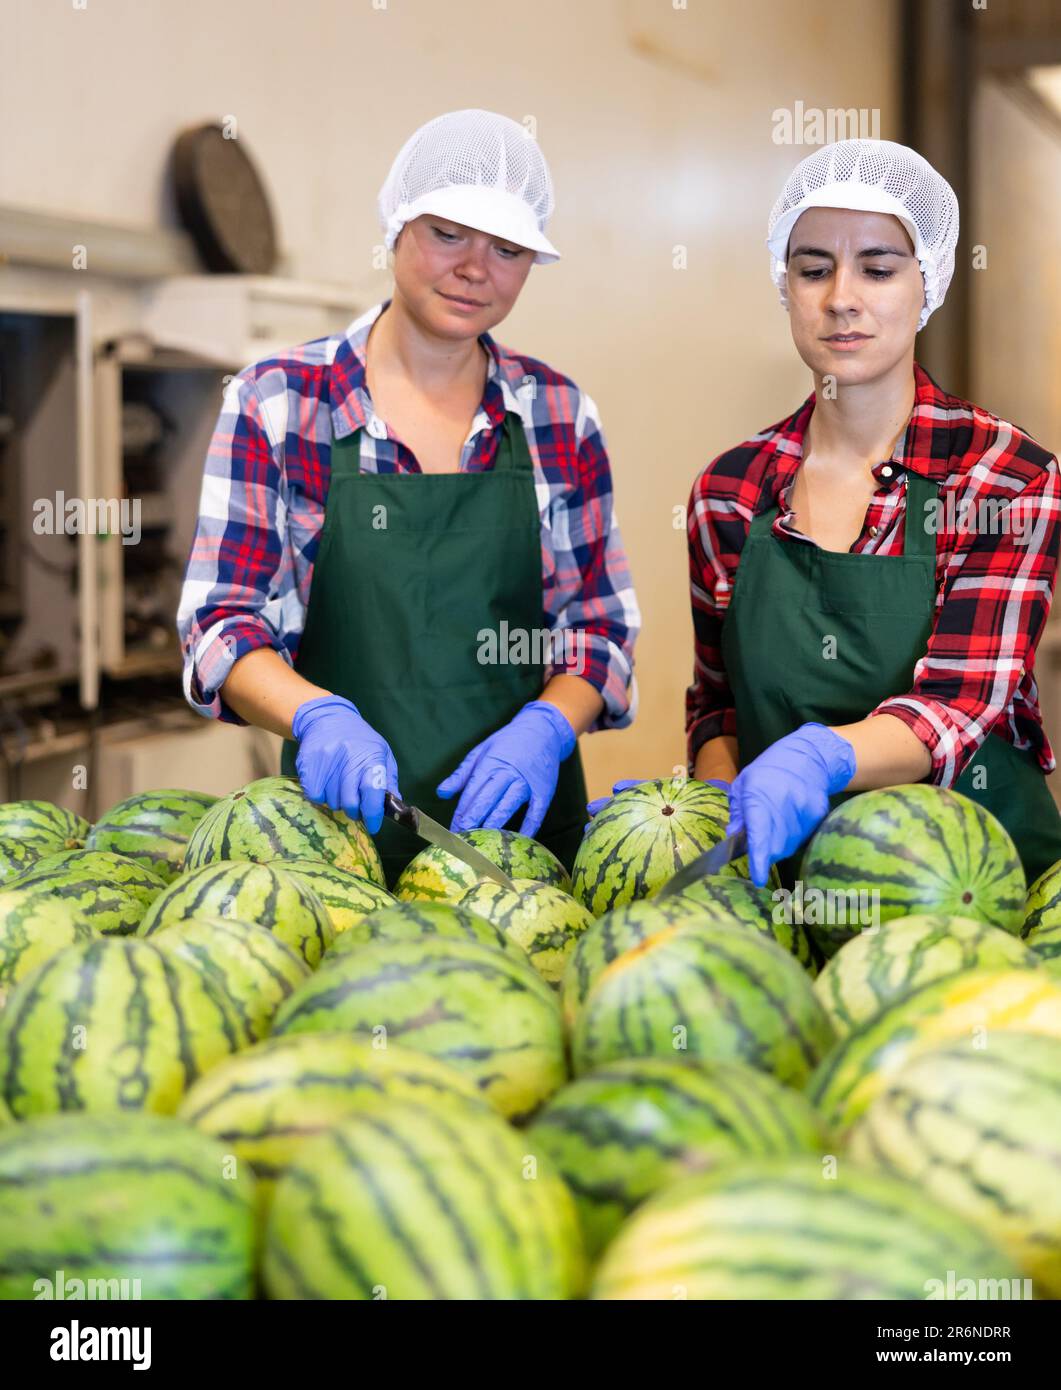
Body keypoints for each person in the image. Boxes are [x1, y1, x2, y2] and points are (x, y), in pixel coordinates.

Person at [178, 109, 639, 884]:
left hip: (519, 862)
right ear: (395, 228)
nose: (474, 268)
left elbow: (598, 631)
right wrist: (315, 716)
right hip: (331, 853)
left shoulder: (559, 413)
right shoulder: (280, 401)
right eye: (448, 234)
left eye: (507, 248)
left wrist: (547, 726)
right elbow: (219, 627)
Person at [595, 138, 1061, 889]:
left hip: (976, 888)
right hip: (787, 886)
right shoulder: (729, 490)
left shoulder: (1002, 477)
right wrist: (705, 813)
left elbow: (958, 701)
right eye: (812, 269)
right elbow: (717, 706)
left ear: (927, 282)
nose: (840, 296)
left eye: (877, 268)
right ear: (785, 287)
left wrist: (819, 755)